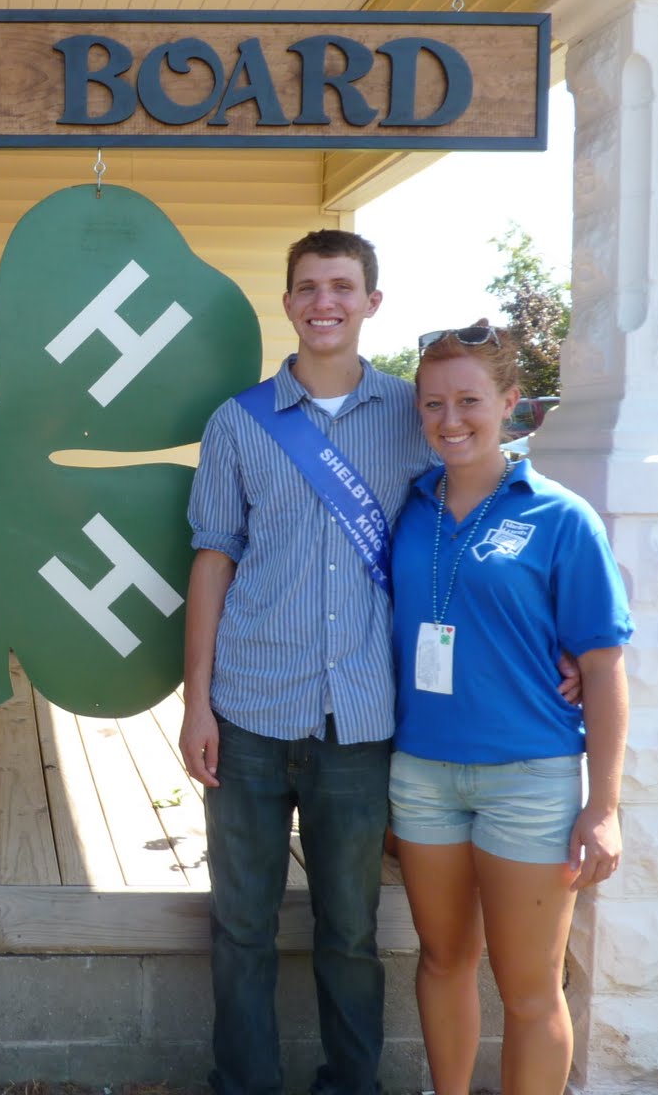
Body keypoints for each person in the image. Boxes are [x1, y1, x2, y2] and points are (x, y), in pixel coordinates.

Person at [181, 228, 432, 1095]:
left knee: (350, 931)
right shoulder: (238, 423)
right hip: (249, 708)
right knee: (242, 925)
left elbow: (465, 532)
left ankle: (350, 1085)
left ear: (371, 302)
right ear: (287, 302)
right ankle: (243, 1083)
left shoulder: (415, 415)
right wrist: (197, 704)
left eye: (341, 286)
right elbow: (212, 558)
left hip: (360, 715)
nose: (324, 301)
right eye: (308, 287)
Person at [388, 323, 630, 1095]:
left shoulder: (561, 518)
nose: (450, 420)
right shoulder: (409, 508)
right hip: (422, 773)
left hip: (529, 780)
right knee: (442, 959)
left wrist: (604, 806)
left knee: (529, 990)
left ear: (511, 403)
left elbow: (601, 666)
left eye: (469, 401)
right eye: (433, 404)